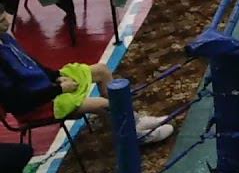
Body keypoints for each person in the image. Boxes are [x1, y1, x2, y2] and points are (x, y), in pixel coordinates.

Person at [0, 9, 173, 145]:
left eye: (4, 16)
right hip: (38, 106)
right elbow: (20, 102)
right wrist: (59, 89)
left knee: (101, 71)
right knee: (103, 104)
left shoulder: (5, 38)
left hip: (48, 87)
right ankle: (135, 137)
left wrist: (57, 76)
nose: (7, 21)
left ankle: (133, 120)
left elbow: (34, 64)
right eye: (1, 21)